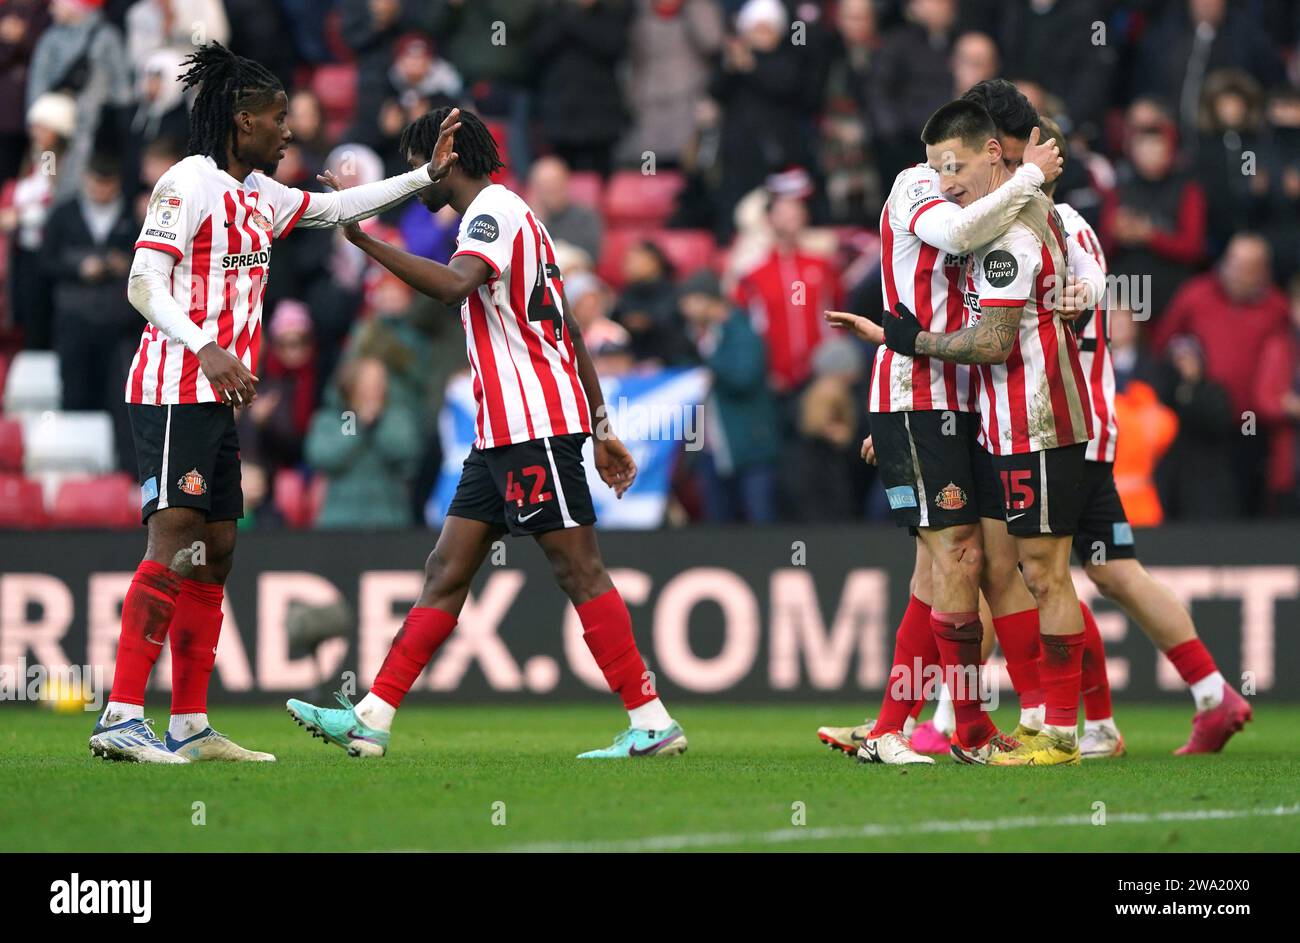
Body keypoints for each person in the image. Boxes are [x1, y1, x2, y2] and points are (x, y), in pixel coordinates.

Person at [89, 42, 461, 765]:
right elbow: (142, 281)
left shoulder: (259, 193)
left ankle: (189, 723)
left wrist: (424, 177)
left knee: (218, 547)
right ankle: (120, 713)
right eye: (278, 119)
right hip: (174, 386)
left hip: (216, 397)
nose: (289, 131)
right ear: (241, 119)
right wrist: (204, 344)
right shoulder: (186, 182)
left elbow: (336, 208)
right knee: (173, 538)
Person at [285, 106, 685, 760]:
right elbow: (571, 332)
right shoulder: (514, 216)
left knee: (578, 566)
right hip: (502, 432)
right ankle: (371, 717)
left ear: (453, 157)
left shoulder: (491, 214)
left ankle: (651, 719)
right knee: (446, 568)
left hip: (532, 425)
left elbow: (453, 286)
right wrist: (603, 425)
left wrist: (366, 242)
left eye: (423, 162)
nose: (419, 177)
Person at [821, 85, 1070, 766]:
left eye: (959, 166)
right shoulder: (915, 185)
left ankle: (892, 725)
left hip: (965, 400)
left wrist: (1088, 291)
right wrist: (1027, 176)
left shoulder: (992, 203)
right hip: (916, 393)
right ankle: (968, 728)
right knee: (958, 556)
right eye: (945, 167)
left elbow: (1054, 247)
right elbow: (957, 235)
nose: (950, 179)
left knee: (953, 569)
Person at [1046, 116, 1250, 758]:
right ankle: (1213, 694)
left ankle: (976, 718)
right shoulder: (1079, 232)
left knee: (1029, 572)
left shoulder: (1027, 238)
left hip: (1056, 429)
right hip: (1083, 426)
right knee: (1110, 572)